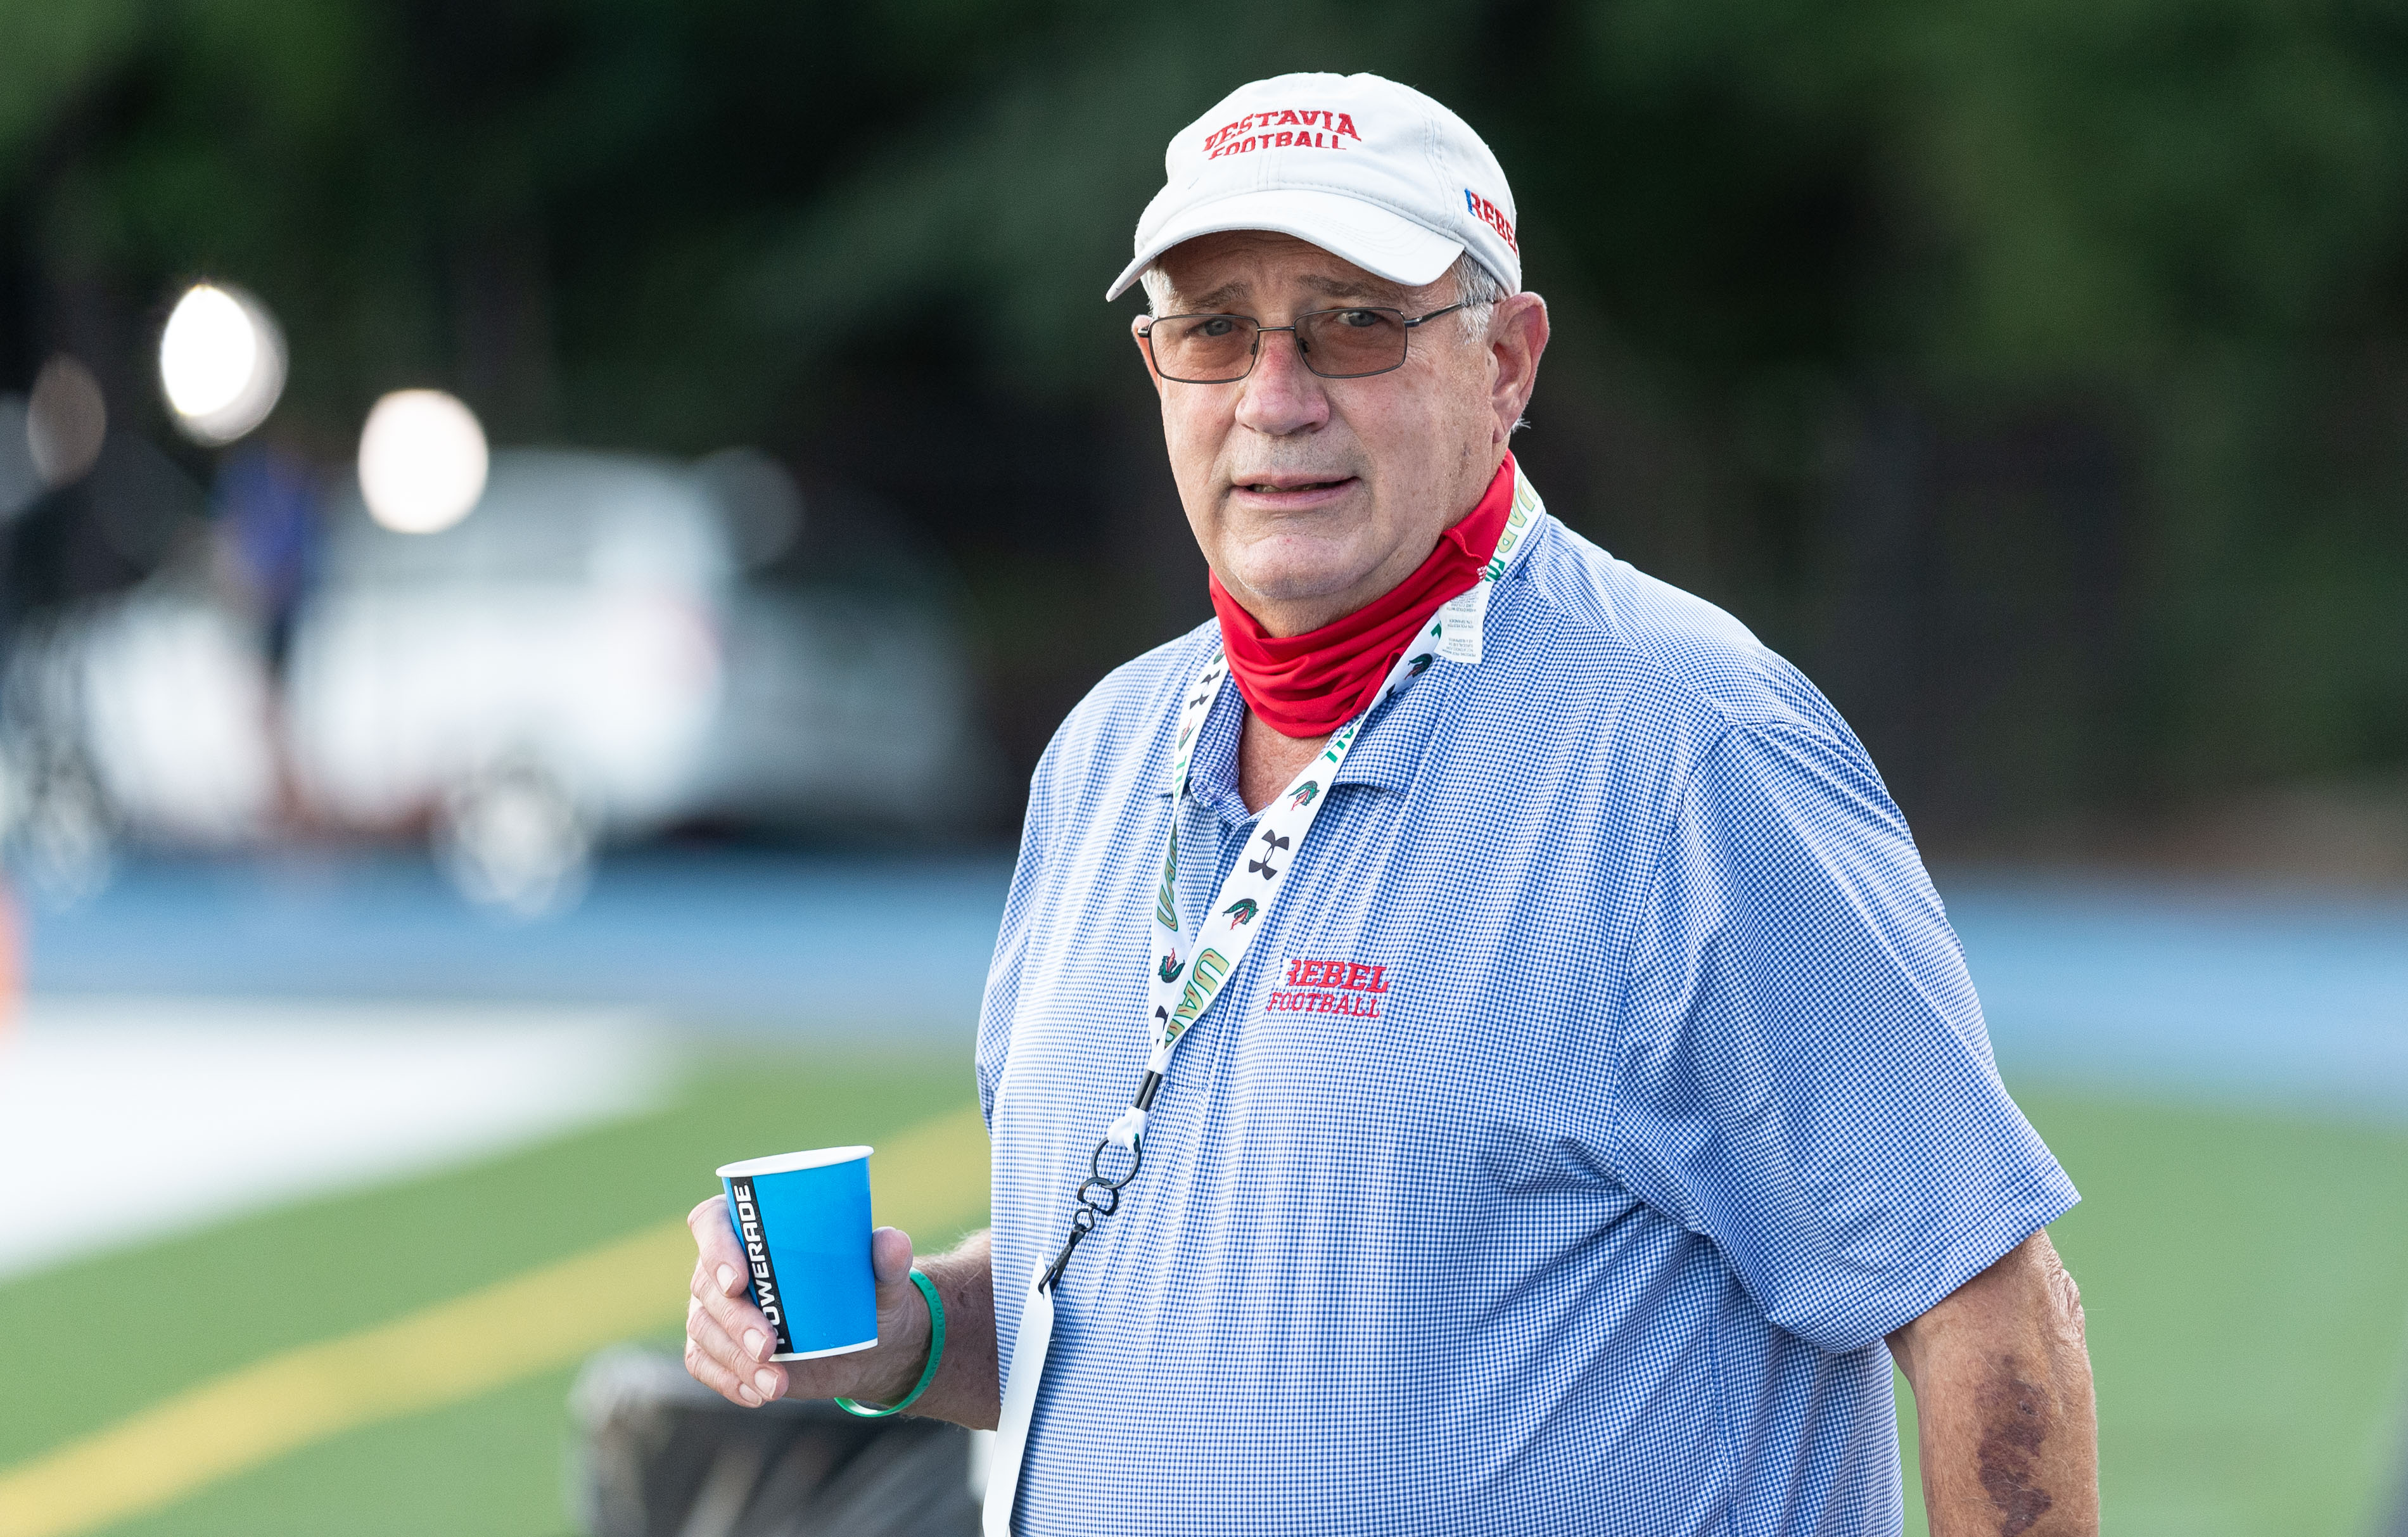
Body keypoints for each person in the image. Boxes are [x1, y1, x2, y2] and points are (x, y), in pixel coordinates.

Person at [686, 71, 2098, 1535]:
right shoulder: (1103, 754)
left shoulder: (1686, 750)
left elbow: (1984, 1304)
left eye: (1354, 324)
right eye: (1212, 330)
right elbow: (1134, 1304)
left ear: (1506, 364)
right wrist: (909, 1331)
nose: (1272, 400)